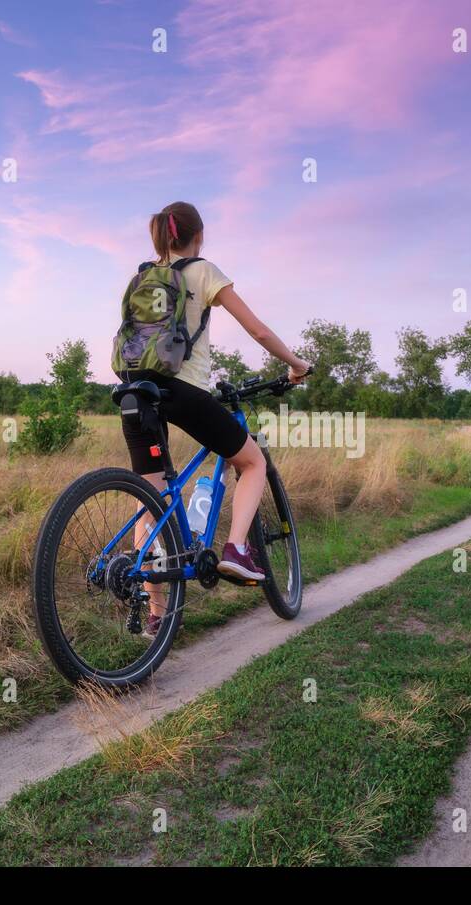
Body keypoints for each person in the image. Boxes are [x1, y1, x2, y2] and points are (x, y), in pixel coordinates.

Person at [117, 201, 310, 621]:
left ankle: (155, 614)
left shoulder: (139, 279)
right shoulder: (202, 270)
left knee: (149, 498)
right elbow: (256, 329)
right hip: (182, 391)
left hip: (135, 393)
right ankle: (237, 549)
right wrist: (296, 364)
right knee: (253, 462)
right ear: (196, 235)